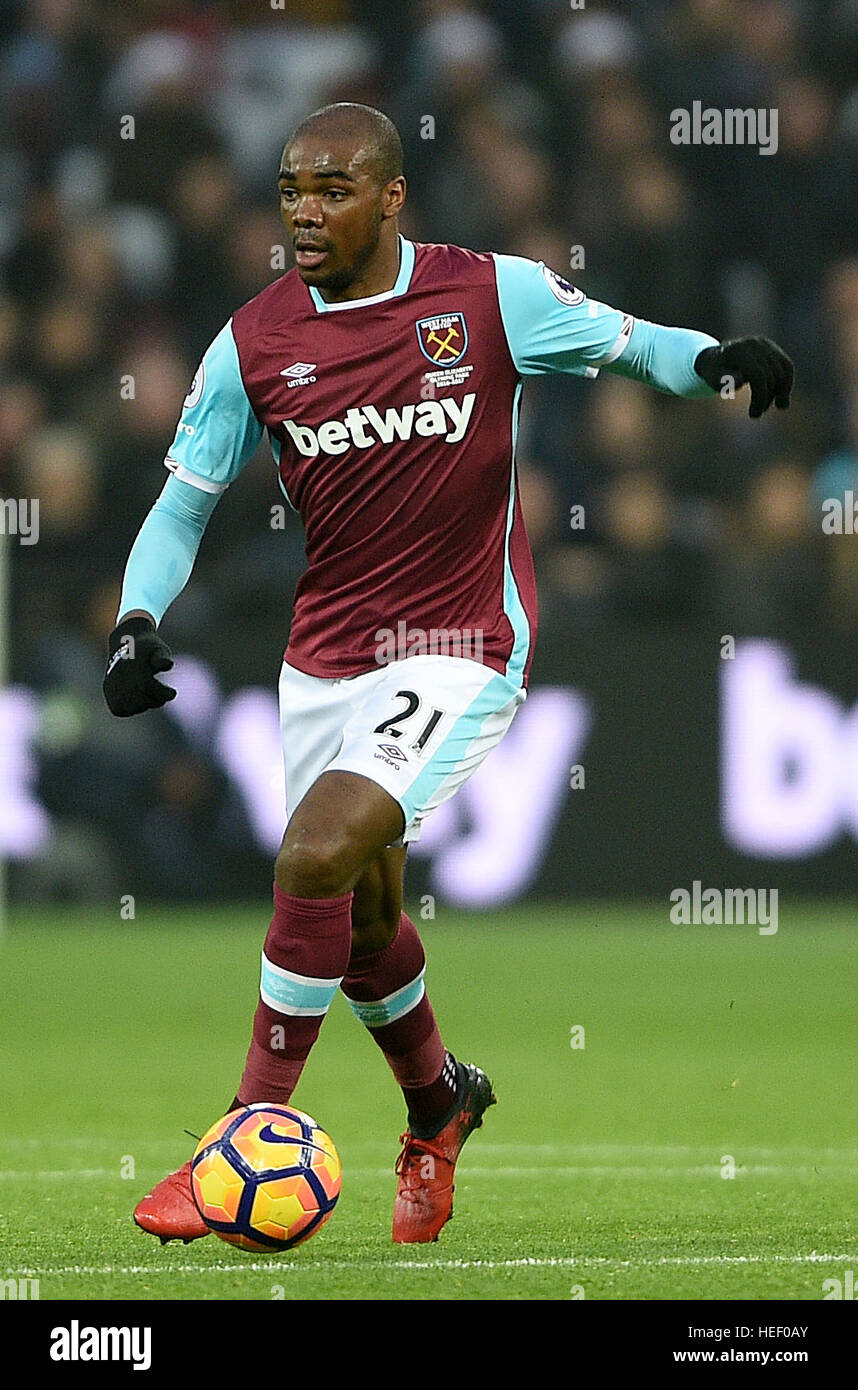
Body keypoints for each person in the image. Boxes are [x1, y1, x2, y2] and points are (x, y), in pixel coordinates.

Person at [103, 103, 793, 1245]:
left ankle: (241, 1131)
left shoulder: (489, 295)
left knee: (314, 851)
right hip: (323, 659)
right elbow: (182, 505)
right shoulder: (253, 341)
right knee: (364, 916)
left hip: (463, 641)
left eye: (333, 188)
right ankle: (439, 1105)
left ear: (391, 196)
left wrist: (712, 361)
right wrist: (135, 618)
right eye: (290, 189)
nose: (306, 212)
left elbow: (627, 342)